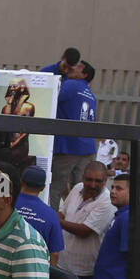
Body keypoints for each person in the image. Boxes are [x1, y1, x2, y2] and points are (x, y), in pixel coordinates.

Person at [39, 52, 97, 203]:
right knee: (82, 191)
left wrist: (59, 67)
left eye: (77, 66)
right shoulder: (90, 94)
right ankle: (78, 223)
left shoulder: (71, 85)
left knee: (54, 188)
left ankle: (50, 224)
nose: (73, 67)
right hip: (87, 149)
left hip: (69, 148)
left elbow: (45, 90)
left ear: (83, 74)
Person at [59, 161, 114, 279]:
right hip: (62, 264)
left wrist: (55, 221)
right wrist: (57, 219)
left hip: (84, 271)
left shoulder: (107, 201)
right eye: (89, 180)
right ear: (83, 177)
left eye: (98, 181)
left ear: (105, 181)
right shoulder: (77, 188)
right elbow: (62, 211)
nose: (93, 184)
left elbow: (84, 231)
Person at [91, 172, 132, 279]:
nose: (113, 191)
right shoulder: (119, 216)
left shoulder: (127, 218)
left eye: (119, 189)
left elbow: (132, 256)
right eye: (113, 187)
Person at [13, 165, 65, 266]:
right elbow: (54, 253)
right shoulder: (51, 215)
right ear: (43, 188)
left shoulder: (6, 203)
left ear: (21, 182)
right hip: (33, 271)